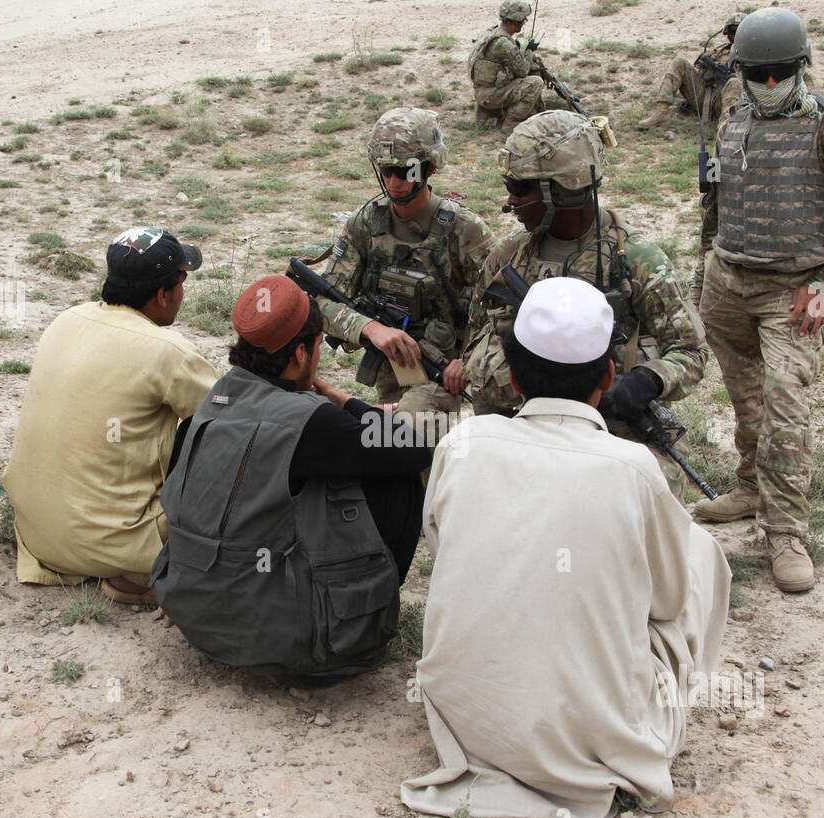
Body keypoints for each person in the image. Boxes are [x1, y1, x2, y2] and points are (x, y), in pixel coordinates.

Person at [402, 277, 730, 818]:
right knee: (699, 552)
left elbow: (445, 550)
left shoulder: (461, 444)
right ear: (607, 376)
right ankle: (609, 727)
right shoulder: (634, 468)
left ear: (510, 375)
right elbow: (669, 604)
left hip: (467, 720)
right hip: (591, 738)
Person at [696, 8, 824, 592]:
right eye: (761, 74)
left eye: (783, 73)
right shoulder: (733, 115)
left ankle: (785, 532)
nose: (772, 85)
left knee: (786, 405)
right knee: (748, 398)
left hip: (792, 291)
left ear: (801, 67)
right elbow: (715, 197)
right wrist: (707, 260)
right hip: (727, 281)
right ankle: (752, 485)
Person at [151, 276, 431, 682]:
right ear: (301, 352)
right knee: (398, 478)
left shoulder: (215, 399)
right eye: (318, 348)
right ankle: (363, 631)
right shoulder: (314, 422)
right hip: (287, 644)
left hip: (194, 615)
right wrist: (342, 399)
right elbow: (412, 448)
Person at [463, 110, 708, 499]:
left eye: (520, 187)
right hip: (521, 422)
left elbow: (692, 351)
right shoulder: (509, 256)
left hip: (609, 428)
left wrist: (647, 380)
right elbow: (476, 333)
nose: (510, 200)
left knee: (658, 490)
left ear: (563, 189)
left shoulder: (638, 260)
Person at [3, 227, 217, 603]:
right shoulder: (169, 351)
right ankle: (142, 576)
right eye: (182, 282)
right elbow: (241, 422)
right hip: (116, 547)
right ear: (163, 294)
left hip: (37, 535)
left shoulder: (65, 320)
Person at [311, 108, 493, 445]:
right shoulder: (366, 223)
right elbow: (321, 301)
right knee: (386, 456)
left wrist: (468, 360)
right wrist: (371, 329)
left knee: (406, 443)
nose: (394, 182)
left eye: (405, 171)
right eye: (387, 171)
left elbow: (503, 309)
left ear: (430, 168)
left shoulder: (463, 230)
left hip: (439, 375)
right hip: (390, 372)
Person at [639, 12, 747, 130]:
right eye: (733, 31)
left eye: (741, 32)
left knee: (734, 83)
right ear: (726, 33)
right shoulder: (718, 52)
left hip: (731, 103)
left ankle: (726, 128)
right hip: (705, 97)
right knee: (679, 63)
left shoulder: (755, 55)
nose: (737, 36)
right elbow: (698, 70)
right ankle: (661, 111)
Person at [468, 1, 546, 132]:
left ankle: (492, 113)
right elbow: (523, 71)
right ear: (517, 22)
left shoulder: (490, 33)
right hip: (491, 95)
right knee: (536, 83)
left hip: (482, 91)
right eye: (523, 20)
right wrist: (528, 51)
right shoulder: (504, 44)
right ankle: (511, 122)